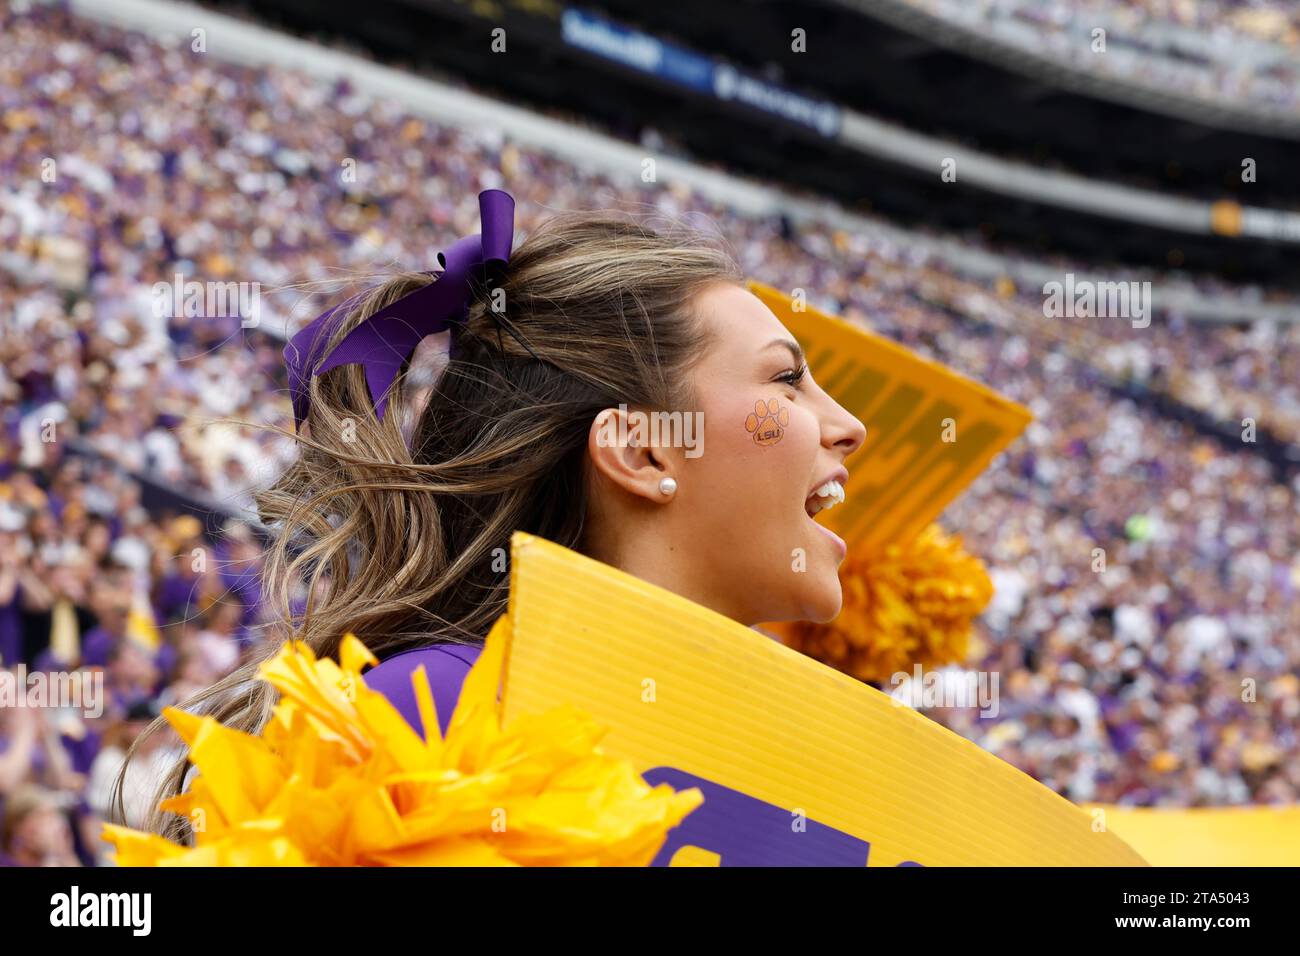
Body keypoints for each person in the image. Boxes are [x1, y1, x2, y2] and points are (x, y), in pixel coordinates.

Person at [118, 189, 865, 842]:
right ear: (643, 453)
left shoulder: (781, 756)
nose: (849, 427)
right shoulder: (429, 713)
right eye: (787, 379)